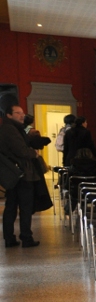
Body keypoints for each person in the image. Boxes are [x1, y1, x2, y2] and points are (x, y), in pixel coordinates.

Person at [1, 102, 41, 247]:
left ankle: (10, 238)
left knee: (11, 206)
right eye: (17, 113)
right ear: (9, 115)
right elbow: (21, 150)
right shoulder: (10, 129)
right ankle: (26, 237)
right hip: (21, 173)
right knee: (24, 206)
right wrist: (34, 153)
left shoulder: (10, 128)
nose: (22, 115)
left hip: (13, 173)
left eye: (22, 113)